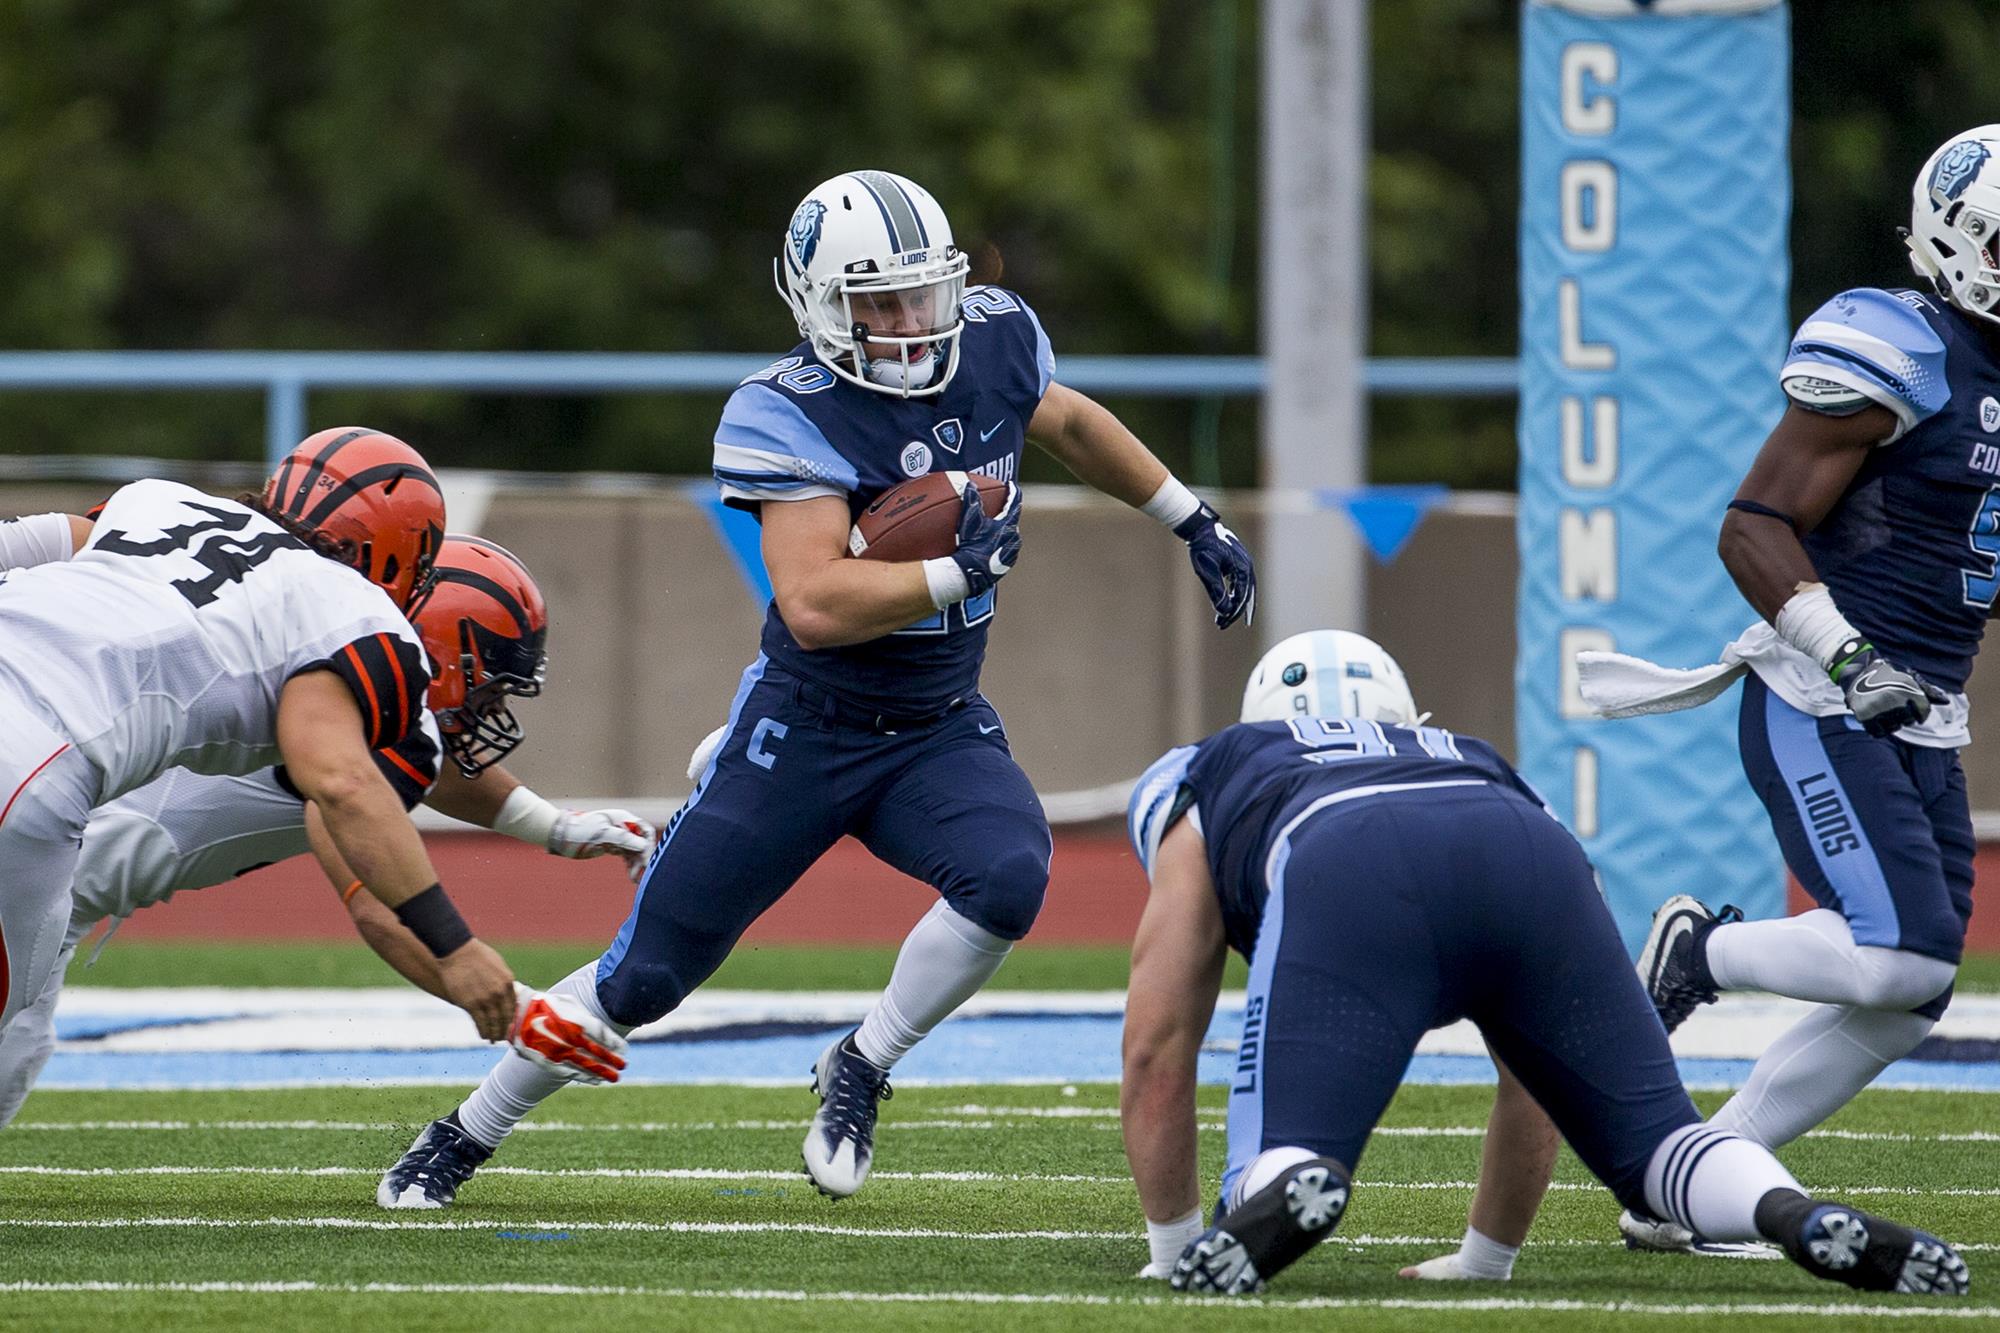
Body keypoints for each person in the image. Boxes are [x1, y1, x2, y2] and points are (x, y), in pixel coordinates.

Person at [377, 168, 1257, 1209]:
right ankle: (464, 1133)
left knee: (1011, 876)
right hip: (805, 725)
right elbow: (813, 603)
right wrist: (951, 570)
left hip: (934, 725)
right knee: (643, 979)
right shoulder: (783, 409)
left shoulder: (995, 339)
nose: (907, 321)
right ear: (816, 305)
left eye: (920, 292)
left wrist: (1185, 516)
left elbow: (1061, 419)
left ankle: (862, 1062)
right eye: (876, 300)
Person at [1118, 630, 1968, 1296]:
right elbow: (1535, 1077)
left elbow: (1158, 1044)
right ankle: (1785, 1209)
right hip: (1527, 847)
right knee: (1660, 1148)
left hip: (1347, 853)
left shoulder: (1214, 765)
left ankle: (1292, 1175)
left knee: (1290, 1148)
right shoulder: (1469, 753)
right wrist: (1485, 1259)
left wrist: (1172, 1247)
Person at [1572, 125, 2000, 1251]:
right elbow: (1751, 524)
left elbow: (1967, 557)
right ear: (1965, 243)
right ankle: (1695, 953)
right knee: (1901, 949)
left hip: (1923, 705)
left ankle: (1681, 1189)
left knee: (1906, 998)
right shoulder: (1898, 345)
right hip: (1823, 691)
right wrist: (1848, 656)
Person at [0, 429, 623, 1095]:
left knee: (23, 1032)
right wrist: (473, 962)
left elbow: (33, 540)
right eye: (486, 683)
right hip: (35, 777)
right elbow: (349, 798)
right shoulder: (346, 620)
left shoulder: (162, 502)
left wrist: (553, 827)